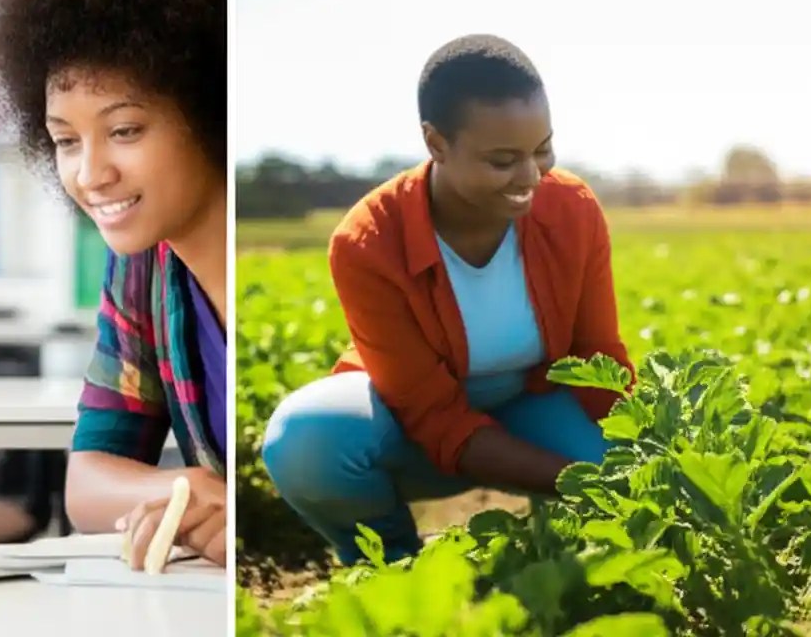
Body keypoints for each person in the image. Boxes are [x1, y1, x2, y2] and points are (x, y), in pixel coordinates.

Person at [261, 34, 634, 566]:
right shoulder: (367, 242)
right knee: (306, 441)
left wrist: (642, 459)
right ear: (436, 144)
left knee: (627, 478)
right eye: (503, 160)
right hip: (411, 425)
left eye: (542, 149)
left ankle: (560, 544)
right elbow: (431, 414)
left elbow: (599, 359)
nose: (531, 177)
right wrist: (572, 480)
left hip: (533, 401)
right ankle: (391, 567)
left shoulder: (571, 208)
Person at [0, 0, 228, 569]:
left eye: (125, 130)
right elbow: (86, 482)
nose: (90, 174)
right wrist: (185, 490)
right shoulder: (140, 270)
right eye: (65, 140)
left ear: (210, 111)